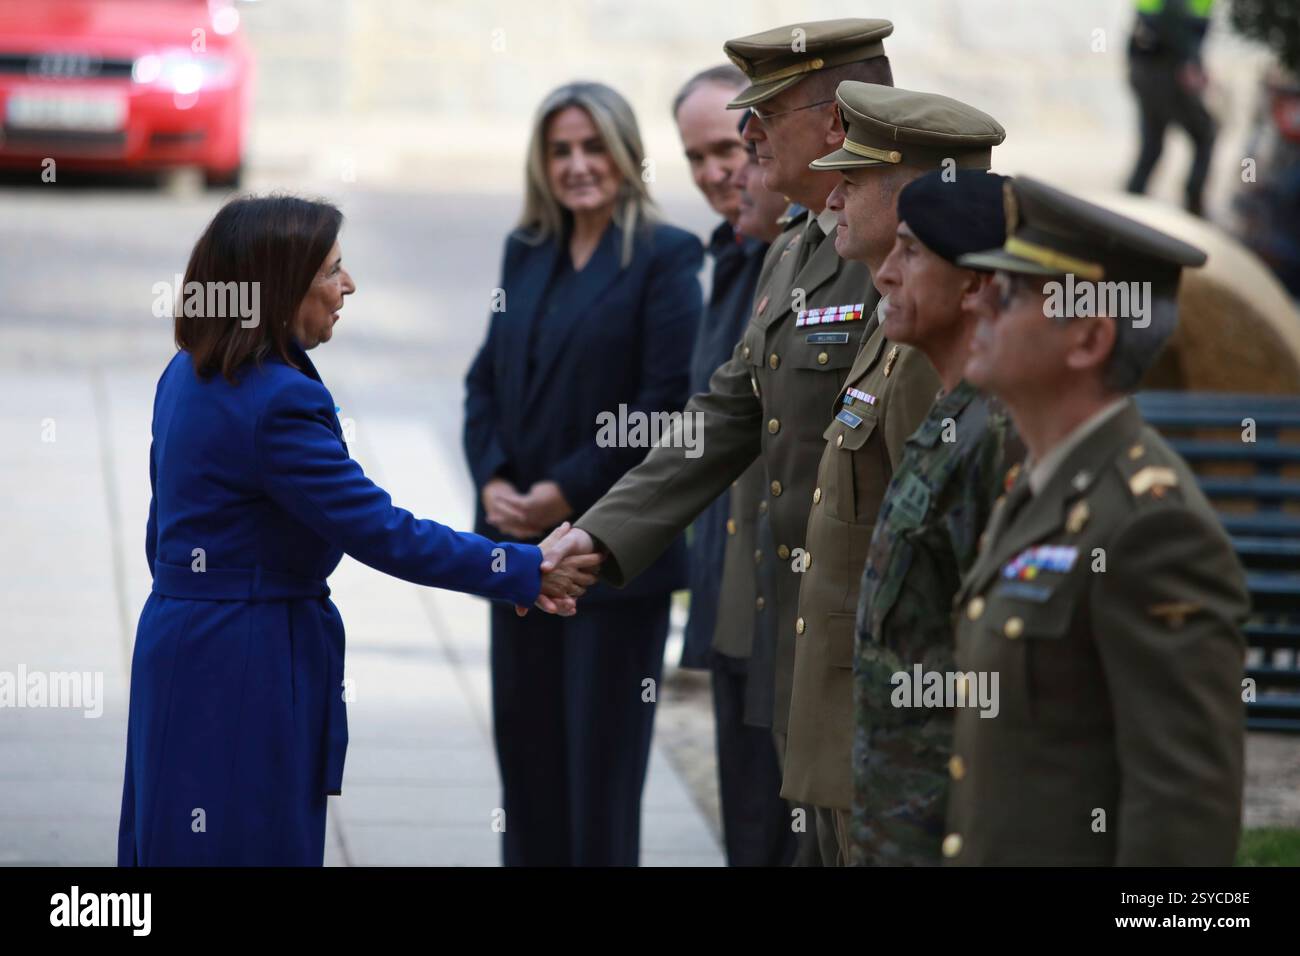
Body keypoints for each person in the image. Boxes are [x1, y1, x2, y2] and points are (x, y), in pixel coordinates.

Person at [118, 196, 597, 867]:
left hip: (180, 635)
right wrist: (518, 567)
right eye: (332, 271)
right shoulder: (277, 399)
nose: (349, 286)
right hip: (245, 655)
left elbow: (161, 525)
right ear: (281, 287)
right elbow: (379, 528)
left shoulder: (189, 372)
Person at [551, 18, 898, 866]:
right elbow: (726, 414)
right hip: (785, 623)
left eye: (764, 117)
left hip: (871, 627)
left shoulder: (900, 245)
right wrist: (600, 533)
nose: (746, 142)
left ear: (836, 126)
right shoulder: (797, 247)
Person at [943, 176, 1249, 865]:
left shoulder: (1148, 527)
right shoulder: (1042, 486)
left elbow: (1183, 812)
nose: (981, 300)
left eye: (1012, 293)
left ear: (1088, 338)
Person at [463, 81, 703, 867]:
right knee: (527, 770)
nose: (577, 165)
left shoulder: (666, 258)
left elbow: (664, 406)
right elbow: (484, 381)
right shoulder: (522, 250)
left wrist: (563, 494)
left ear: (628, 153)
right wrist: (494, 477)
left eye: (594, 146)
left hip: (607, 562)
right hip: (519, 555)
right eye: (561, 150)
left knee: (597, 783)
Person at [783, 82, 1005, 865]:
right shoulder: (895, 328)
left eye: (852, 180)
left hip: (898, 748)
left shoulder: (927, 355)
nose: (833, 195)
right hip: (860, 731)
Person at [847, 170, 1023, 866]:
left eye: (912, 253)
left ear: (977, 285)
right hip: (897, 823)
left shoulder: (1000, 435)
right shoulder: (954, 418)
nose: (885, 275)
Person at [673, 63, 794, 866]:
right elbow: (706, 427)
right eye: (701, 157)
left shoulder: (808, 259)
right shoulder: (728, 254)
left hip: (785, 601)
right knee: (747, 828)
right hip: (727, 594)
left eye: (738, 149)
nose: (723, 171)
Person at [1124, 0, 1218, 216]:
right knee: (1205, 134)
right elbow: (1172, 23)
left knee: (1152, 146)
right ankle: (1193, 206)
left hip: (1147, 69)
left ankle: (1130, 203)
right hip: (1164, 71)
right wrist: (1190, 63)